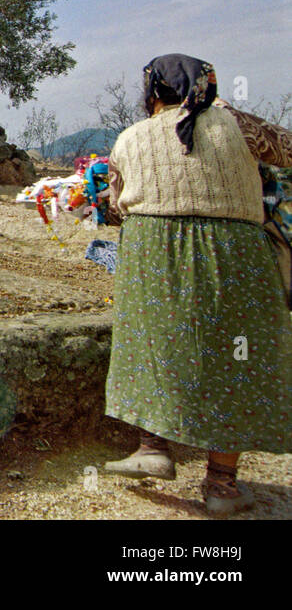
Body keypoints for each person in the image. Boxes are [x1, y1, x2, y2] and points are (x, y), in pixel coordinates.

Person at [103, 54, 292, 515]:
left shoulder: (129, 138)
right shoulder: (240, 127)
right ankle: (223, 485)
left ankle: (152, 449)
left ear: (152, 92)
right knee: (238, 356)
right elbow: (287, 151)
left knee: (153, 340)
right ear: (208, 86)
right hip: (234, 252)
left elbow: (113, 205)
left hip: (154, 254)